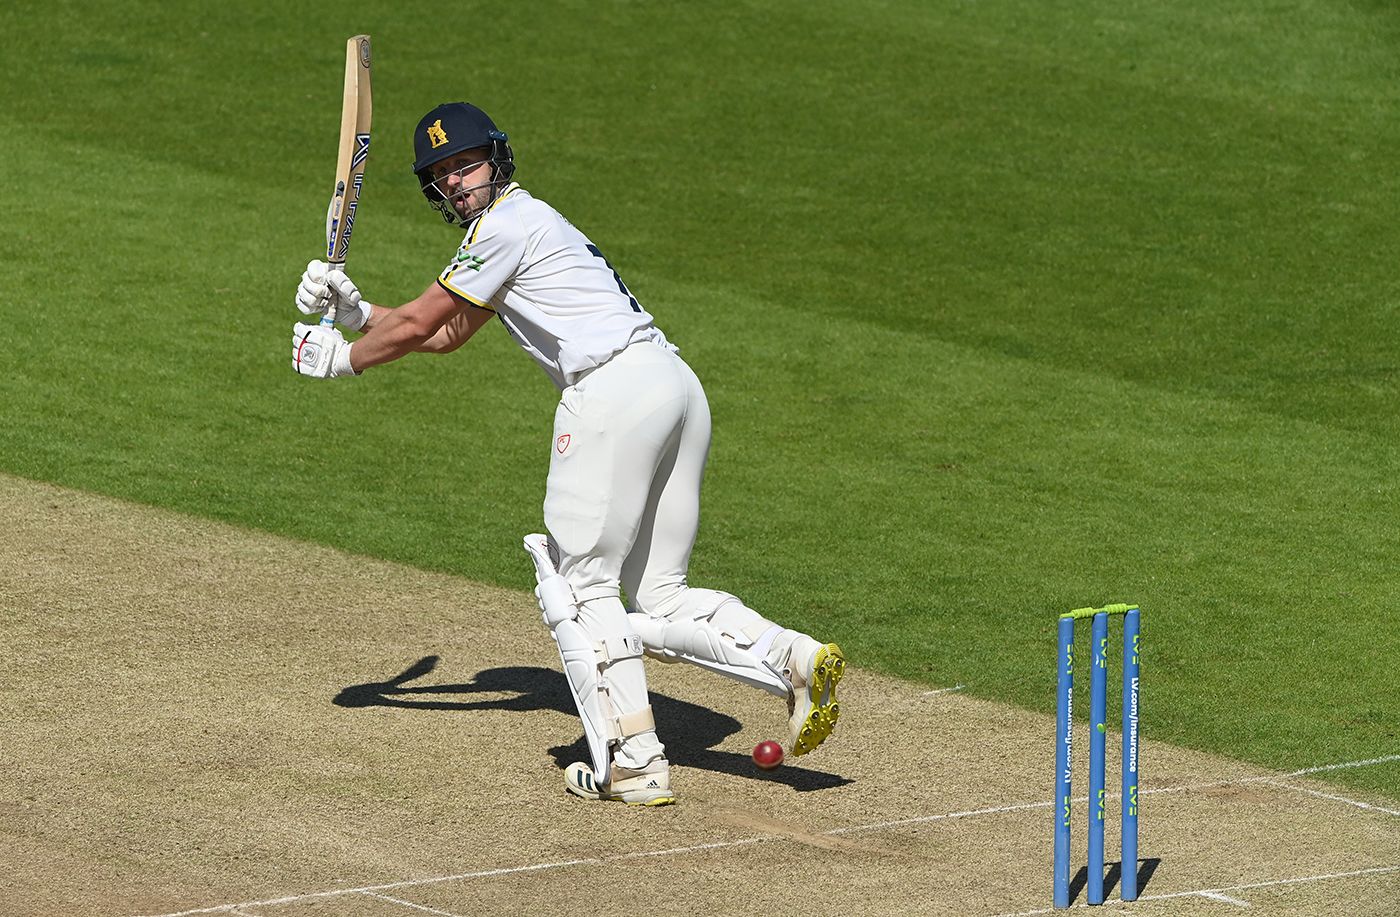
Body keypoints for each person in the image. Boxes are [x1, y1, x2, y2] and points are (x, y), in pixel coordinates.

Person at [291, 102, 845, 806]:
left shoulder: (504, 225)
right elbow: (444, 333)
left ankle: (635, 760)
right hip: (674, 387)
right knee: (658, 594)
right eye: (442, 176)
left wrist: (341, 359)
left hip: (611, 393)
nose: (457, 183)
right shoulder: (530, 224)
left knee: (582, 589)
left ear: (497, 158)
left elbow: (424, 321)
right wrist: (356, 312)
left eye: (466, 164)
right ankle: (791, 657)